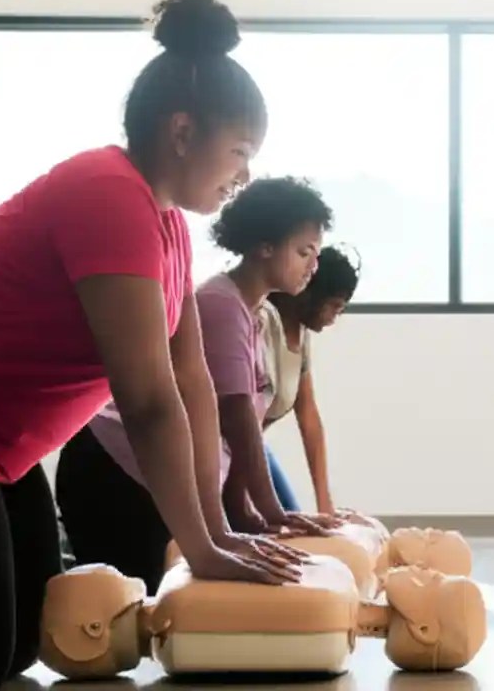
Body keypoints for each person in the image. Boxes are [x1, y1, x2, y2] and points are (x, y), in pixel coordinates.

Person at [0, 0, 297, 689]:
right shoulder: (106, 193)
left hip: (3, 454)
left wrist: (216, 532)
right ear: (182, 133)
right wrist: (202, 552)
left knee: (18, 648)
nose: (246, 174)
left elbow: (193, 383)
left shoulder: (169, 226)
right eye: (239, 151)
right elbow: (147, 398)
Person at [55, 176, 340, 595]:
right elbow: (237, 418)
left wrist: (242, 512)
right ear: (264, 246)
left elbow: (239, 434)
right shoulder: (222, 304)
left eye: (315, 255)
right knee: (123, 606)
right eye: (304, 252)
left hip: (152, 472)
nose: (312, 266)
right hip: (116, 468)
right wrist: (271, 511)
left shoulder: (257, 315)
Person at [258, 245, 361, 515]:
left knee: (295, 522)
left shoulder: (301, 334)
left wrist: (324, 503)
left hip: (253, 449)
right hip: (220, 455)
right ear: (311, 294)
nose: (333, 319)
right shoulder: (263, 322)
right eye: (334, 307)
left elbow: (308, 416)